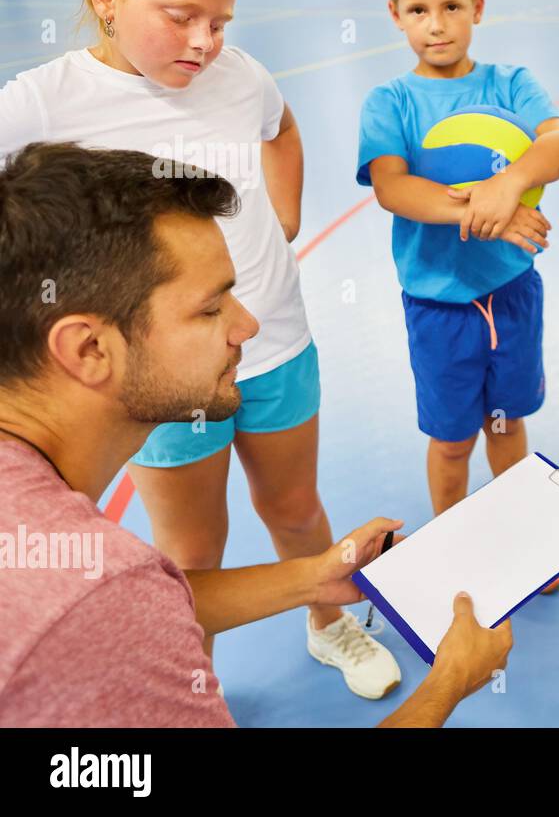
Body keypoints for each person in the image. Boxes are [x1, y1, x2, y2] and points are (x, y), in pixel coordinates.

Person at [0, 0, 400, 698]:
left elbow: (280, 128)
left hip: (273, 336)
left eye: (219, 21)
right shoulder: (42, 105)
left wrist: (283, 215)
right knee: (191, 546)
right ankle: (185, 676)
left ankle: (329, 621)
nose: (204, 42)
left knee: (295, 505)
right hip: (158, 371)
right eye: (181, 17)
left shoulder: (236, 74)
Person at [0, 142, 511, 727]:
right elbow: (113, 607)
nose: (247, 324)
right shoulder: (102, 607)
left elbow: (133, 599)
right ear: (89, 349)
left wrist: (310, 578)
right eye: (211, 307)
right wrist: (448, 682)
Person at [357, 0, 559, 593]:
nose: (437, 25)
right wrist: (486, 215)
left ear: (477, 8)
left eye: (452, 7)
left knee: (508, 426)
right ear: (395, 15)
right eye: (419, 10)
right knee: (453, 440)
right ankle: (453, 546)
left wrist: (509, 184)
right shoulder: (390, 101)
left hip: (510, 294)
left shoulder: (510, 83)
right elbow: (394, 187)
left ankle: (522, 542)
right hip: (438, 306)